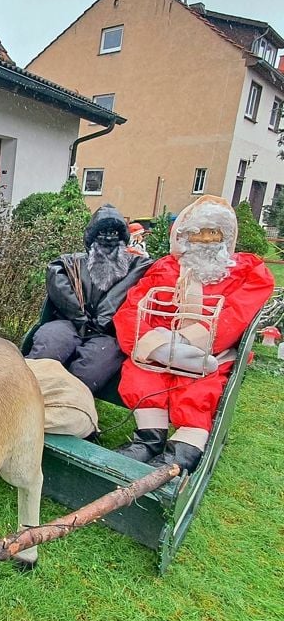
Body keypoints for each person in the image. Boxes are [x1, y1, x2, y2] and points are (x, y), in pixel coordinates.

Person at [113, 195, 274, 472]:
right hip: (160, 347)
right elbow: (132, 310)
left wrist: (192, 342)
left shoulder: (246, 270)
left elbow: (236, 313)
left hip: (209, 354)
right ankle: (149, 438)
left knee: (200, 388)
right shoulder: (165, 267)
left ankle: (186, 446)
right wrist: (150, 343)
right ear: (185, 236)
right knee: (141, 374)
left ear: (226, 237)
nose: (206, 240)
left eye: (214, 233)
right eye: (199, 233)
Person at [27, 204, 152, 393]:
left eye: (114, 233)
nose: (108, 238)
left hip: (109, 333)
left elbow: (122, 293)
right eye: (102, 233)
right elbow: (57, 282)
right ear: (91, 238)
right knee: (49, 347)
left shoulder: (136, 265)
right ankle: (26, 395)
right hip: (68, 322)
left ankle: (69, 403)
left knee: (94, 367)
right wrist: (80, 317)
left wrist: (103, 320)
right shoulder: (70, 262)